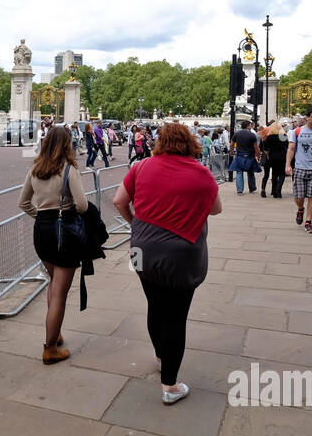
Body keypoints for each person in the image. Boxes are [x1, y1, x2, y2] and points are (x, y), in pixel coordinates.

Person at [113, 123, 222, 404]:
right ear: (190, 143)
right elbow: (216, 209)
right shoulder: (201, 172)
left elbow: (118, 202)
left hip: (141, 250)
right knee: (176, 316)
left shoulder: (141, 167)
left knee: (155, 305)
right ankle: (170, 386)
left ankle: (162, 354)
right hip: (182, 253)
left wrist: (136, 224)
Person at [18, 127, 92, 364]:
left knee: (54, 283)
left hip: (42, 229)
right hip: (65, 230)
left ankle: (55, 331)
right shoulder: (69, 170)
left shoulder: (35, 169)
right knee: (60, 290)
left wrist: (41, 216)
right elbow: (81, 205)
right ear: (67, 145)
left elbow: (23, 202)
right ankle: (50, 348)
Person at [229, 120, 260, 195]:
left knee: (239, 172)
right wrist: (258, 155)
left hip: (239, 155)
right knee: (250, 172)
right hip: (250, 155)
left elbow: (232, 144)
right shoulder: (252, 135)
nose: (251, 126)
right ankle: (252, 188)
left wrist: (231, 151)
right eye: (250, 125)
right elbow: (256, 147)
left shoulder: (237, 134)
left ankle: (240, 190)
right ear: (248, 126)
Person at [261, 120, 286, 198]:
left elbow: (265, 149)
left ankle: (274, 191)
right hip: (282, 157)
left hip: (272, 157)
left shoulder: (269, 137)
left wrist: (268, 155)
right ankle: (278, 189)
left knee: (274, 174)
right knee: (282, 174)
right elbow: (287, 146)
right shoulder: (282, 136)